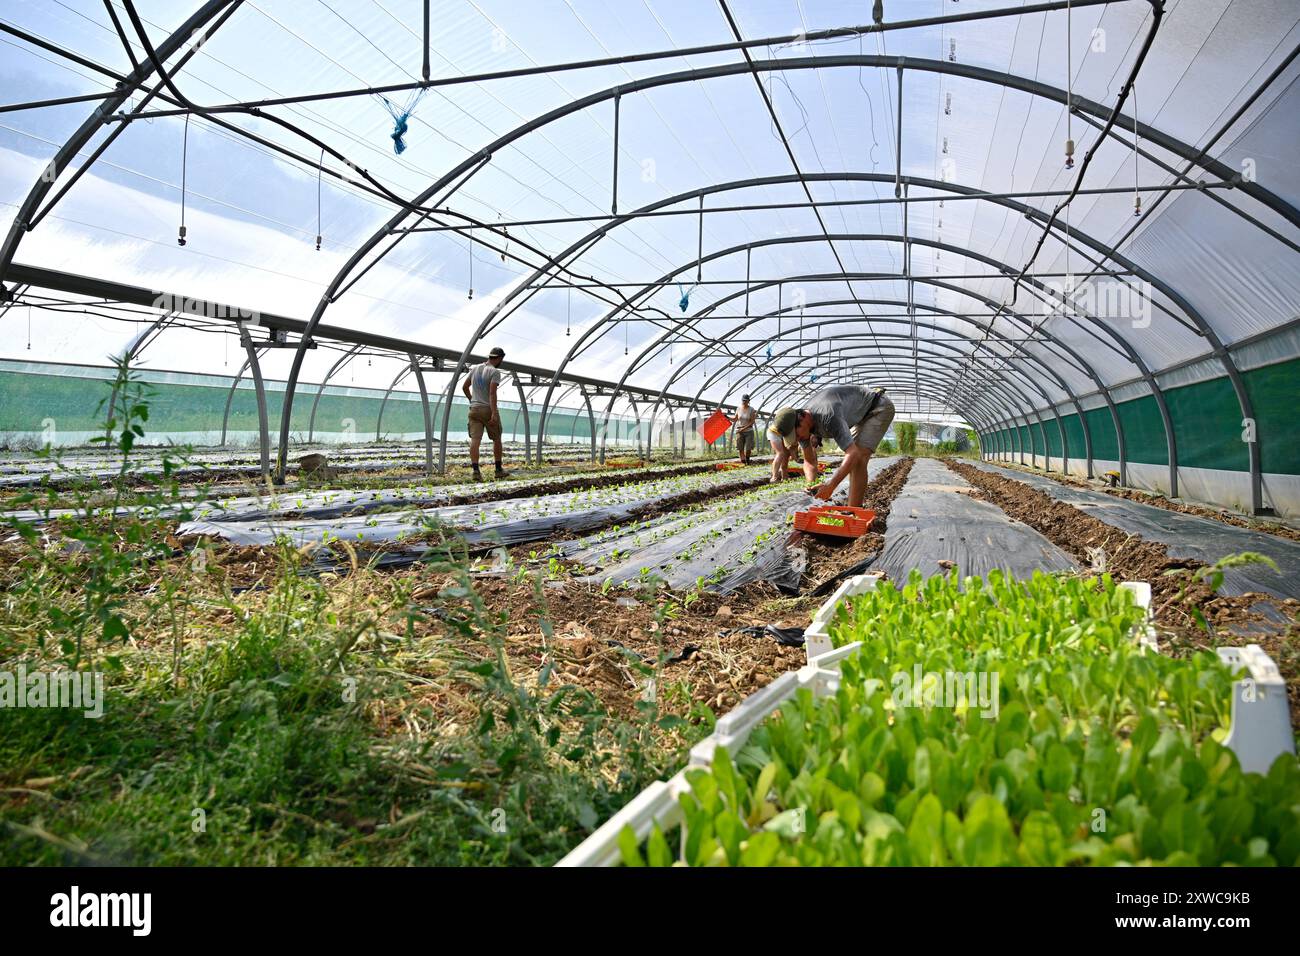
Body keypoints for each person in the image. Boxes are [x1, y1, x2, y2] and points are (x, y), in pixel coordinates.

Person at [767, 385, 895, 508]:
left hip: (877, 408)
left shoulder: (828, 414)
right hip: (860, 415)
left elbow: (853, 453)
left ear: (803, 418)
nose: (798, 439)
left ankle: (854, 511)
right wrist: (812, 484)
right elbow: (810, 461)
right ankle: (852, 509)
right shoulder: (802, 428)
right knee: (854, 460)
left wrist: (830, 485)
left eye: (796, 435)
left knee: (859, 458)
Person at [461, 346, 511, 481]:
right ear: (500, 358)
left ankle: (476, 472)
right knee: (496, 439)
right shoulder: (494, 372)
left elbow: (465, 387)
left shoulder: (475, 369)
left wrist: (472, 400)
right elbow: (492, 393)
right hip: (487, 409)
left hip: (474, 409)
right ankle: (498, 470)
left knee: (475, 440)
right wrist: (494, 413)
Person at [732, 394, 758, 464]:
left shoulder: (751, 409)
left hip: (749, 431)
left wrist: (743, 429)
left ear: (749, 401)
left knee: (748, 448)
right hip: (739, 431)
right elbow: (735, 419)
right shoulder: (738, 408)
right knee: (740, 448)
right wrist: (726, 417)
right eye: (743, 400)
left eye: (746, 401)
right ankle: (743, 463)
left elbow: (752, 422)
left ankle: (747, 460)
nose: (744, 402)